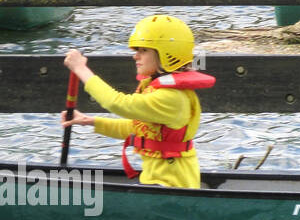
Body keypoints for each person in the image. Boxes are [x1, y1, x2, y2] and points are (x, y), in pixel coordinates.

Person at [61, 15, 215, 189]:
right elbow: (138, 129)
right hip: (156, 182)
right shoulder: (160, 90)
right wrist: (90, 122)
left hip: (172, 186)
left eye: (143, 50)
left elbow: (116, 103)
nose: (135, 56)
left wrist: (81, 69)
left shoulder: (171, 98)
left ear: (166, 54)